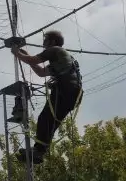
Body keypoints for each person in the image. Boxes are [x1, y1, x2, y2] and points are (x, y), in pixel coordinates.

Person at [11, 30, 82, 164]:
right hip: (72, 94)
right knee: (49, 121)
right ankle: (39, 152)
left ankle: (38, 151)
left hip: (66, 91)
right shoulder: (61, 57)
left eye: (45, 41)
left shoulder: (55, 50)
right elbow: (41, 72)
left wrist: (17, 52)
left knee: (45, 118)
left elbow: (33, 60)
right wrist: (24, 55)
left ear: (53, 42)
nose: (43, 44)